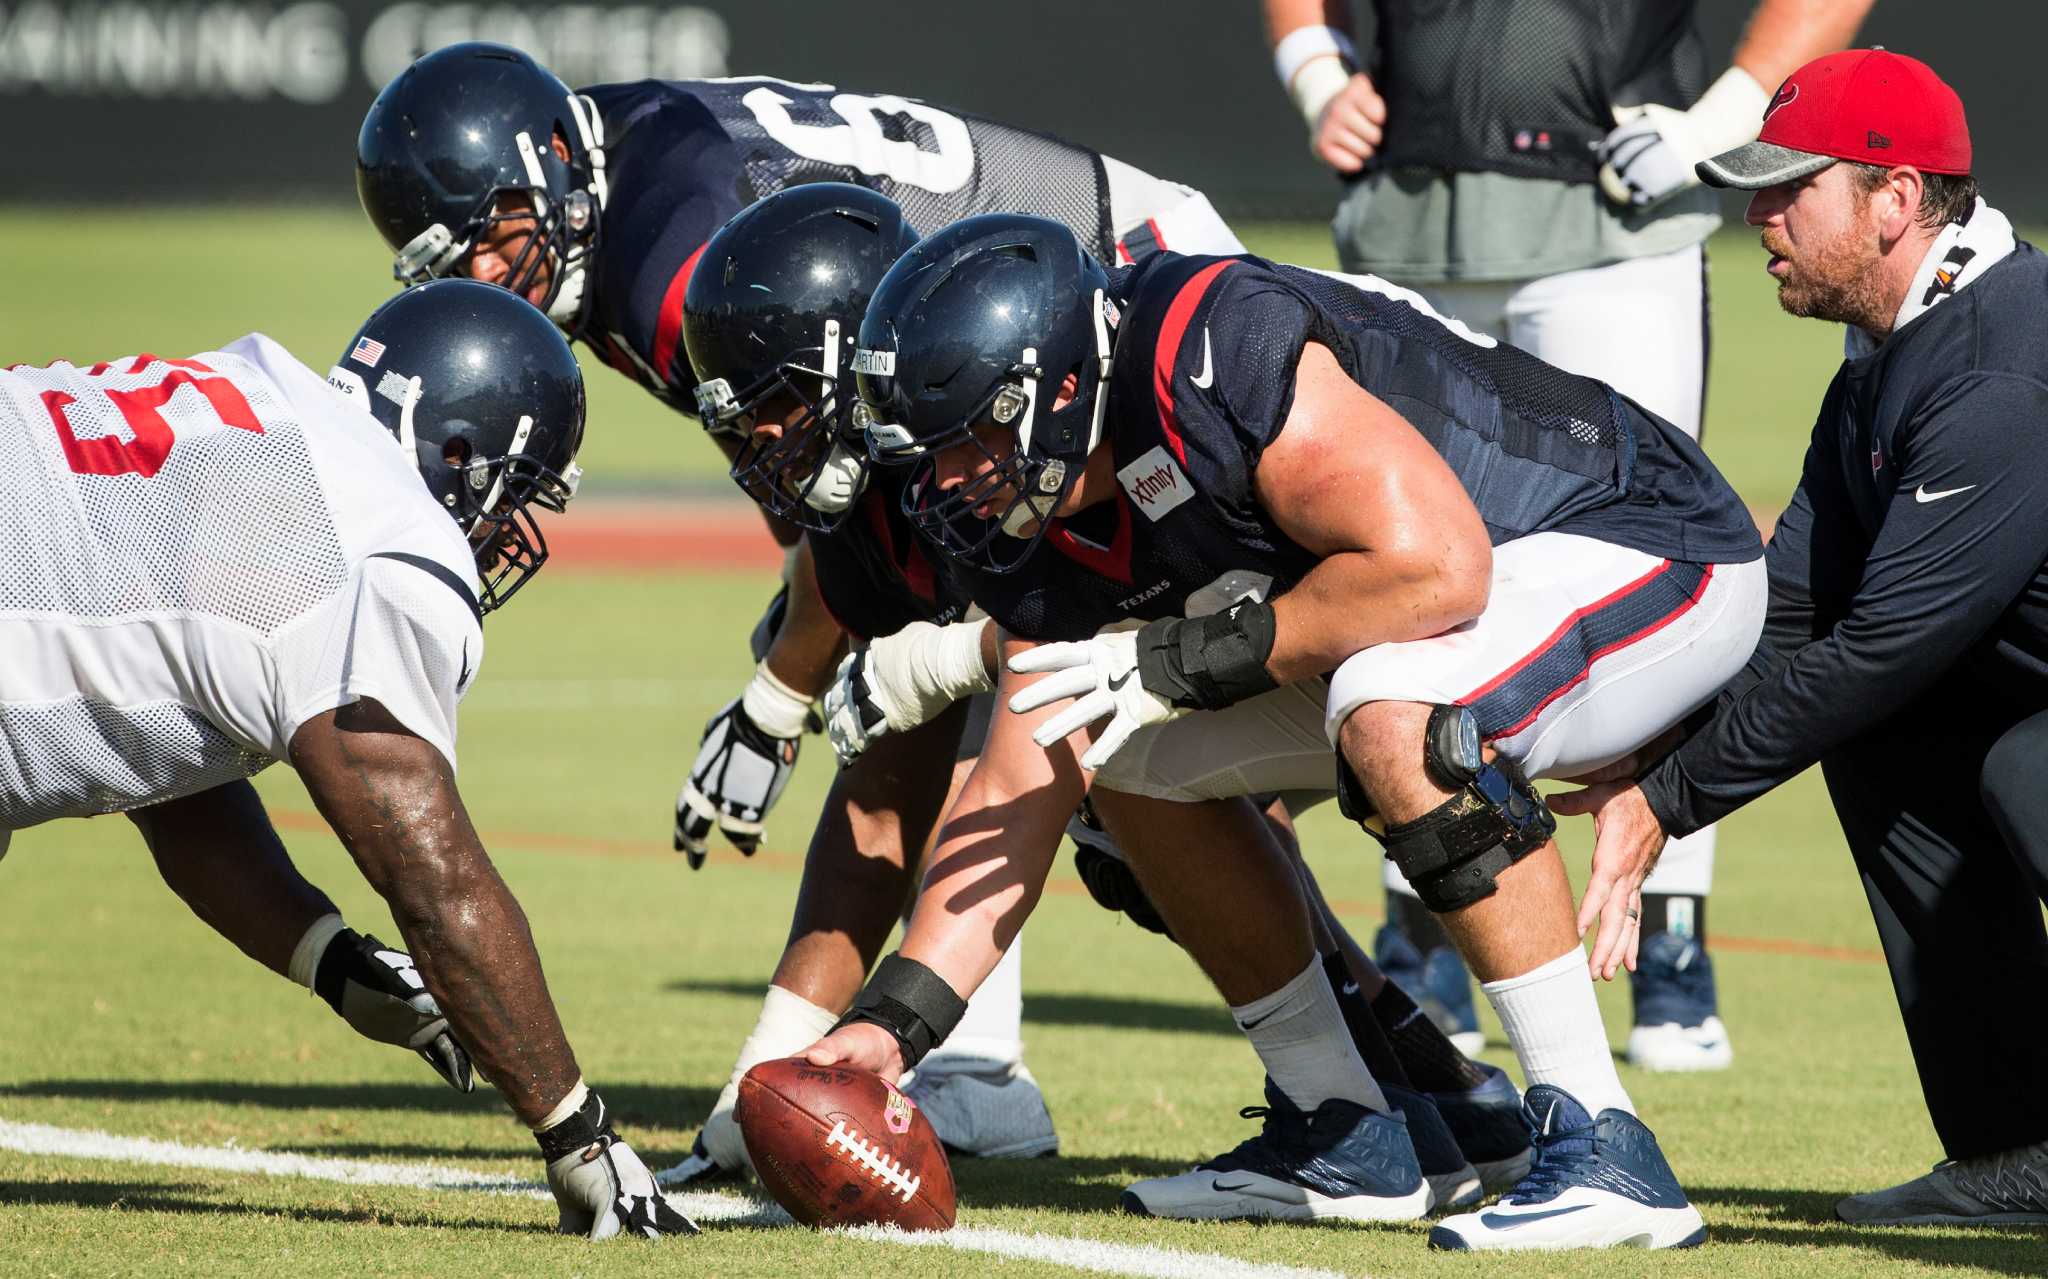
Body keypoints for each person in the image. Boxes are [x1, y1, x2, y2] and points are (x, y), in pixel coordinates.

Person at [351, 45, 1253, 1163]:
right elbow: (829, 499)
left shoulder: (669, 254)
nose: (488, 274)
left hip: (1118, 286)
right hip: (1011, 328)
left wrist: (780, 694)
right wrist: (794, 672)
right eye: (455, 258)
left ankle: (1370, 1043)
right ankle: (979, 1066)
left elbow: (849, 505)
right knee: (951, 666)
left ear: (551, 171)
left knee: (1086, 706)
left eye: (495, 232)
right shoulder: (610, 171)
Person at [804, 214, 1767, 1248]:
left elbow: (1436, 570)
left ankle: (1601, 1141)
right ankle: (1343, 1127)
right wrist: (893, 1024)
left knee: (1398, 710)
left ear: (1064, 388)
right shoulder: (1031, 510)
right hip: (1452, 608)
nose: (949, 480)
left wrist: (1169, 661)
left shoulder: (1208, 352)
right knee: (1120, 748)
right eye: (930, 450)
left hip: (1639, 538)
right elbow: (1014, 783)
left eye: (971, 437)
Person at [668, 181, 1528, 1207]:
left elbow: (1106, 620)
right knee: (1121, 790)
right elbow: (893, 791)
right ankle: (1423, 1092)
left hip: (1379, 595)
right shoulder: (894, 502)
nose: (757, 445)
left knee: (1128, 765)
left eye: (772, 404)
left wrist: (964, 656)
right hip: (1199, 637)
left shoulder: (1035, 423)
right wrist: (804, 1055)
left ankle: (1415, 1101)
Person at [0, 279, 694, 1242]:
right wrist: (579, 1134)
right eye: (514, 494)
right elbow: (434, 879)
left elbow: (160, 756)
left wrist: (327, 959)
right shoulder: (382, 532)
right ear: (461, 454)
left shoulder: (260, 400)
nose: (503, 531)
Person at [1262, 0, 1873, 1070]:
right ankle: (1424, 935)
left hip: (1610, 227)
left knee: (1655, 569)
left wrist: (1719, 117)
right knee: (1398, 573)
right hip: (1408, 224)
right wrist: (1312, 62)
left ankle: (1666, 937)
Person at [1557, 48, 2048, 1227]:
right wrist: (1634, 754)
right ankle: (2021, 1154)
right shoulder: (1884, 351)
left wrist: (1665, 801)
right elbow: (1789, 612)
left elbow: (1881, 642)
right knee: (1895, 741)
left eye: (1789, 187)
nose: (1757, 215)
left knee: (2021, 766)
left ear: (1894, 199)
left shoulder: (1993, 370)